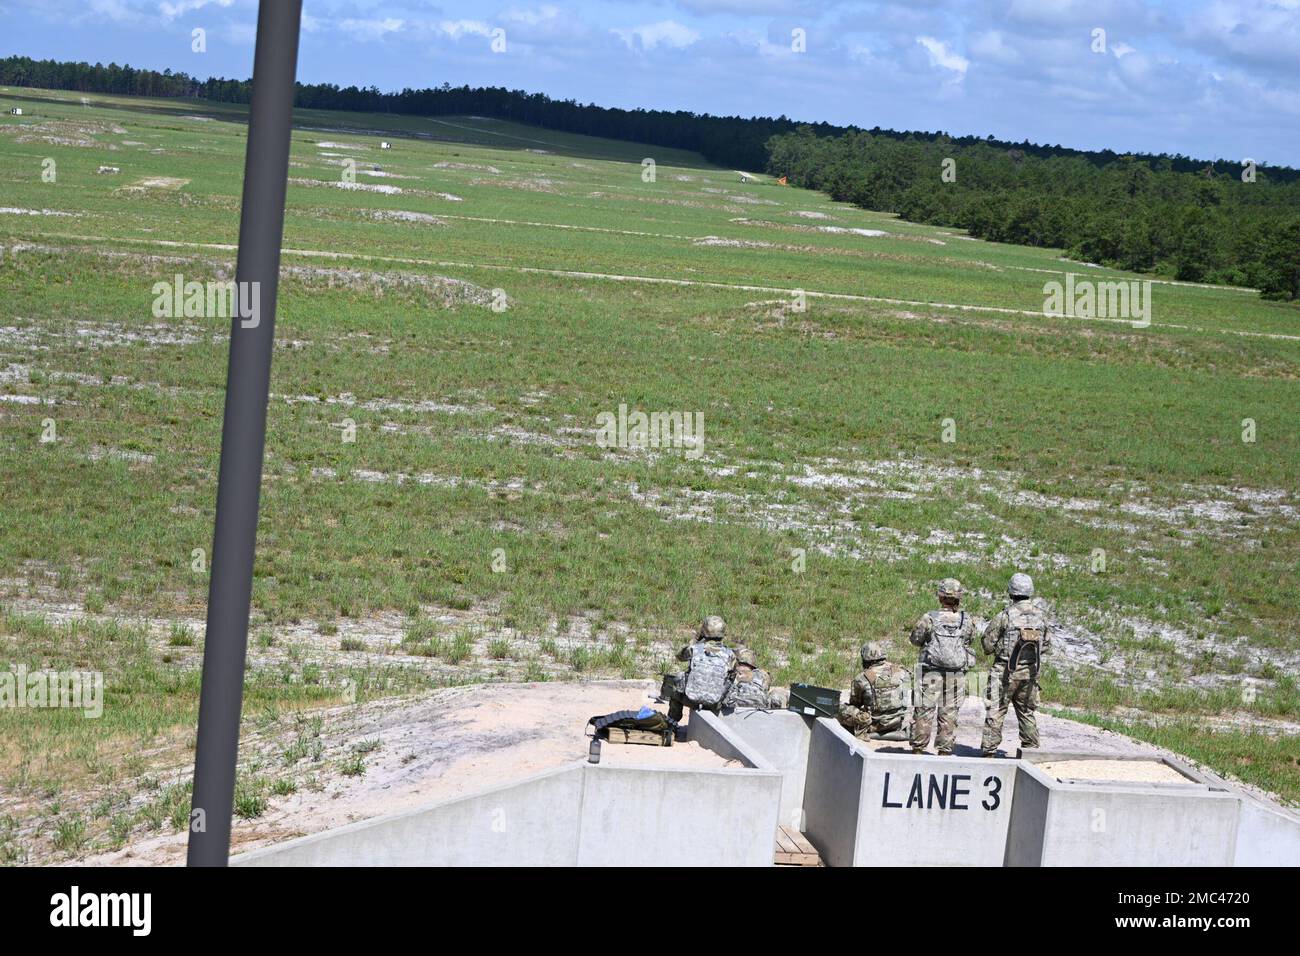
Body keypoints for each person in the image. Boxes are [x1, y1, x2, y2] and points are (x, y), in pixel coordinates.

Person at [981, 573, 1052, 757]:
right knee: (1027, 713)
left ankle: (989, 753)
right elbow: (1046, 646)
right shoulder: (1041, 617)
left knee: (996, 711)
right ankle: (1031, 754)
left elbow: (987, 645)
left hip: (1004, 673)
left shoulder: (1005, 616)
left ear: (1011, 592)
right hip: (1029, 673)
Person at [908, 578, 976, 755]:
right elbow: (969, 640)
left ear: (940, 597)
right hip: (955, 674)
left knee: (924, 711)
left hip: (930, 672)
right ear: (959, 598)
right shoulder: (966, 620)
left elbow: (915, 639)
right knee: (949, 714)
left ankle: (918, 750)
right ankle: (944, 752)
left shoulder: (929, 617)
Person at [664, 615, 735, 722]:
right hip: (714, 703)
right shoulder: (730, 654)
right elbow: (732, 677)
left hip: (690, 699)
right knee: (730, 684)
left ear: (703, 631)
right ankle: (717, 721)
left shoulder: (695, 648)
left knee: (679, 677)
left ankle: (673, 720)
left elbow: (679, 656)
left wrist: (695, 640)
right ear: (723, 633)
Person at [838, 641, 910, 741]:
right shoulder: (902, 673)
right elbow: (905, 699)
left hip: (874, 724)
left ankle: (866, 733)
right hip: (896, 722)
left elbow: (855, 704)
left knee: (841, 708)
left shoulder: (861, 678)